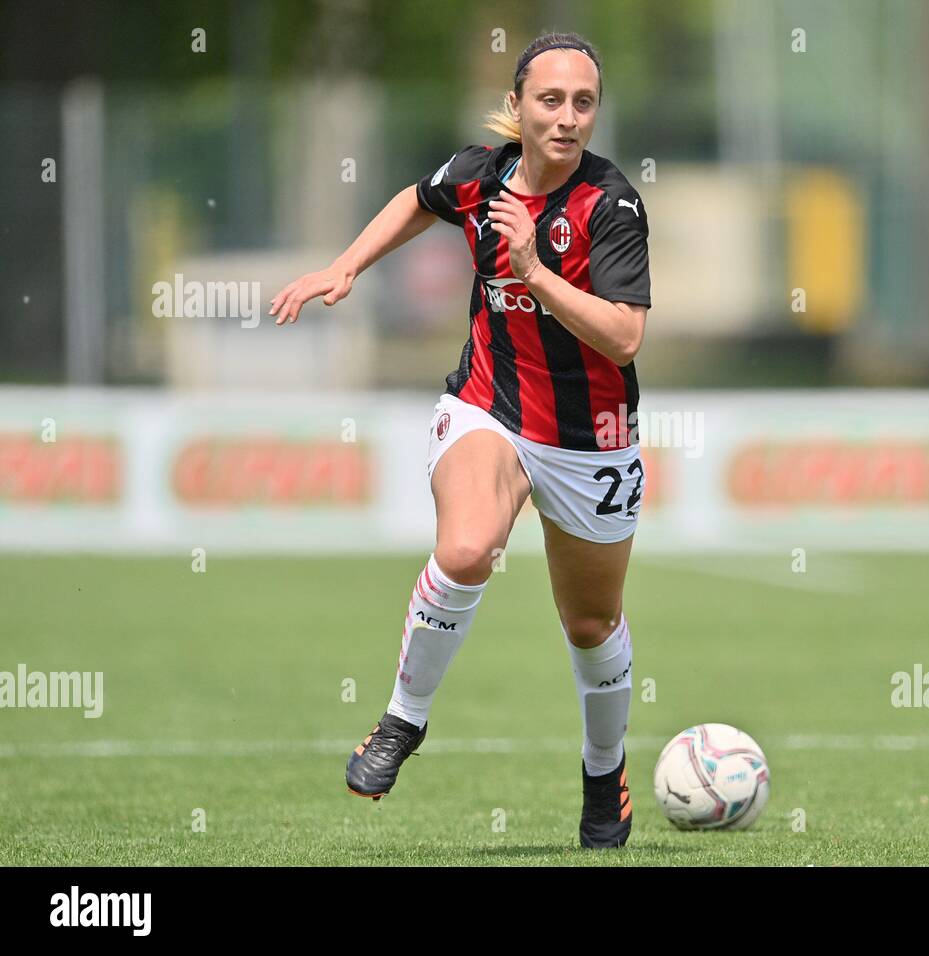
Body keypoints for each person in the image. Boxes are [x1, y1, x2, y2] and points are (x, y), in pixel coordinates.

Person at [268, 32, 650, 849]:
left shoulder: (610, 205)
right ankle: (402, 721)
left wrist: (535, 273)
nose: (567, 117)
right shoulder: (481, 174)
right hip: (489, 406)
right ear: (517, 106)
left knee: (591, 624)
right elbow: (418, 199)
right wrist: (348, 265)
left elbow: (624, 338)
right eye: (550, 100)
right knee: (469, 548)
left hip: (591, 438)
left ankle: (603, 768)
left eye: (583, 102)